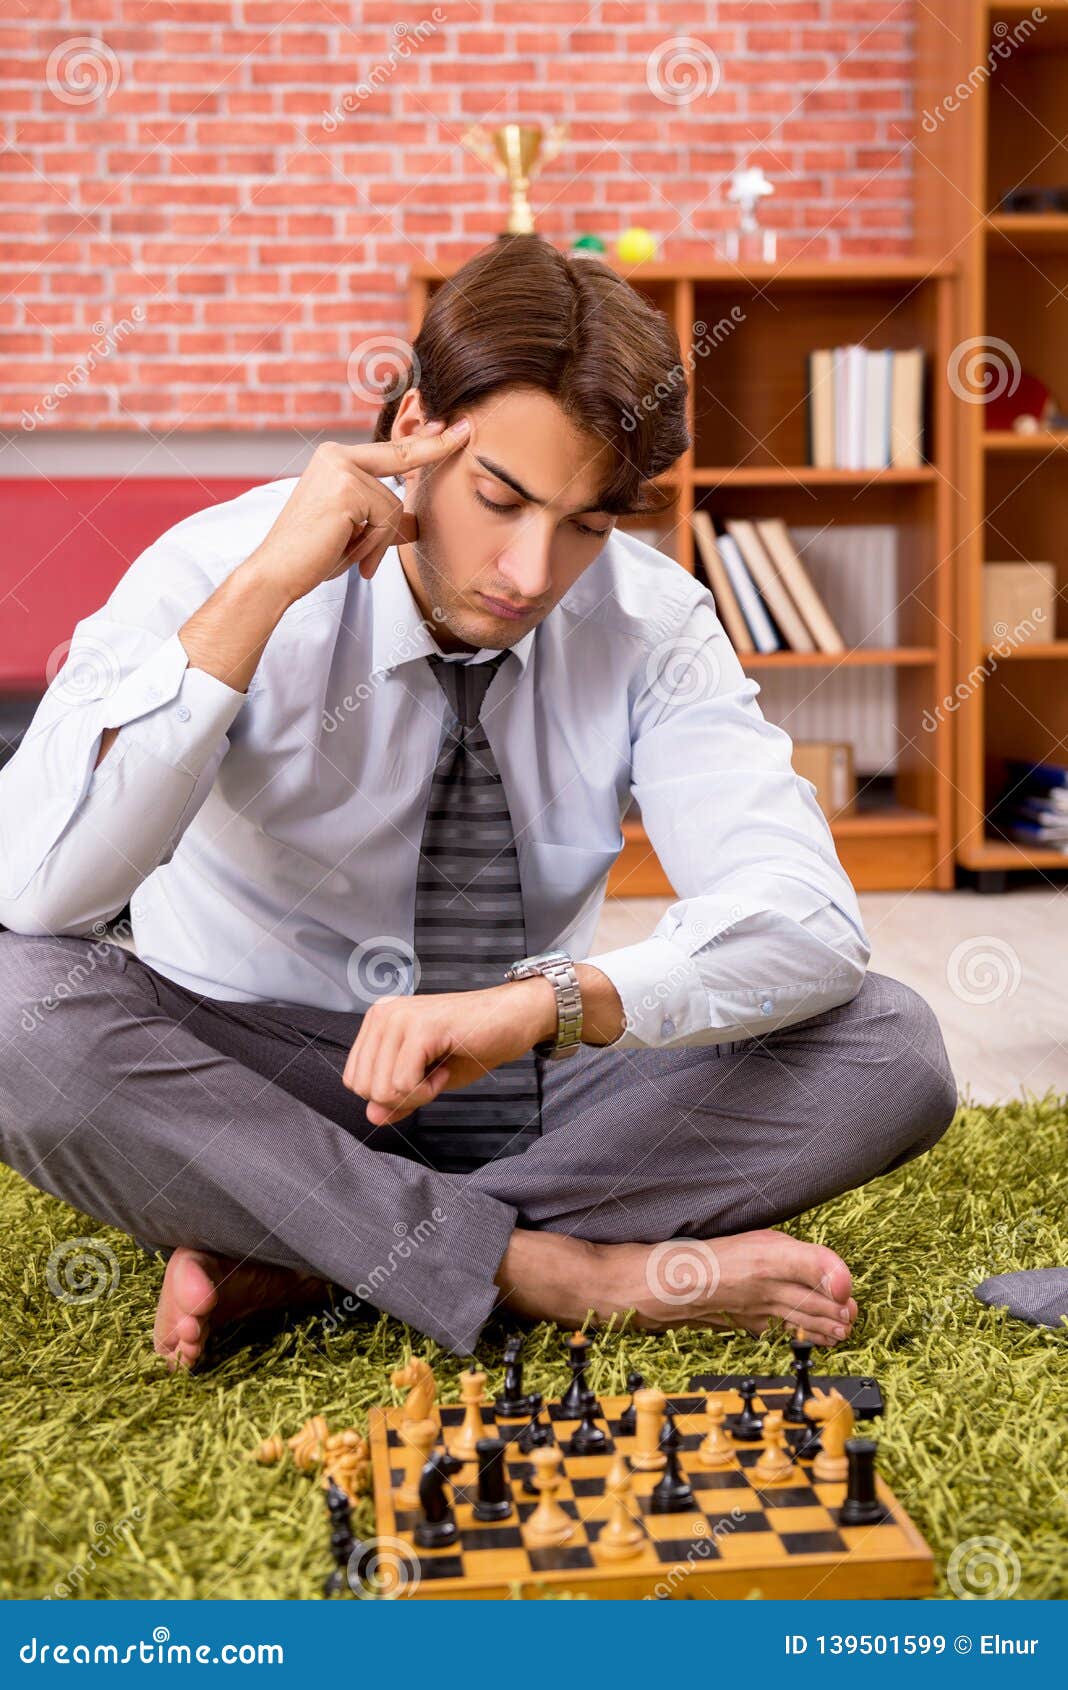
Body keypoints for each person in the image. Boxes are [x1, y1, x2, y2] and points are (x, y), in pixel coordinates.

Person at [0, 239, 957, 1371]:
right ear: (415, 431)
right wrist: (260, 590)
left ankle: (317, 1251)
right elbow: (40, 888)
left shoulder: (655, 621)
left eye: (589, 523)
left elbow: (803, 916)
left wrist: (544, 1002)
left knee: (888, 1045)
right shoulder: (215, 567)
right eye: (500, 497)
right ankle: (558, 1269)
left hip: (520, 1072)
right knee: (17, 1003)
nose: (529, 570)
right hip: (258, 1075)